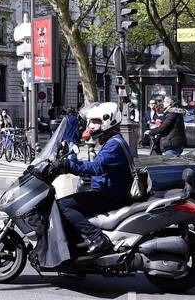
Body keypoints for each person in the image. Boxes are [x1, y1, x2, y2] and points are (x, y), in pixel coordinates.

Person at [52, 102, 134, 257]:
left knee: (62, 205)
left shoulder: (113, 145)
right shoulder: (112, 140)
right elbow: (102, 169)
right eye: (91, 122)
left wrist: (69, 164)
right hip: (107, 189)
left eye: (96, 122)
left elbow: (96, 167)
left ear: (109, 120)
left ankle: (97, 238)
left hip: (109, 195)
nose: (91, 126)